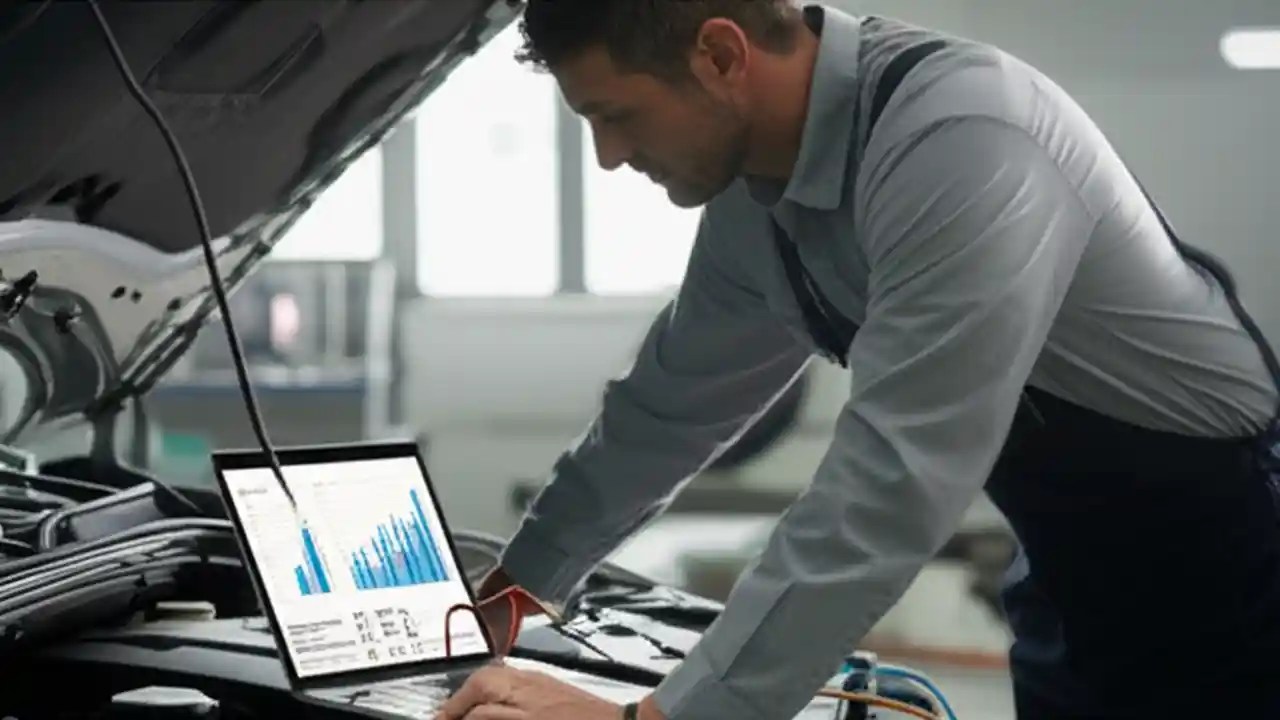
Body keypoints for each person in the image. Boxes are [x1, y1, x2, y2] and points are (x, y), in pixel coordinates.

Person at [437, 1, 1280, 719]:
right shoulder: (757, 195)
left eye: (614, 115)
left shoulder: (962, 139)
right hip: (1068, 573)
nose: (609, 156)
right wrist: (512, 599)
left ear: (721, 55)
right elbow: (663, 416)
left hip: (1232, 559)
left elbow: (890, 482)